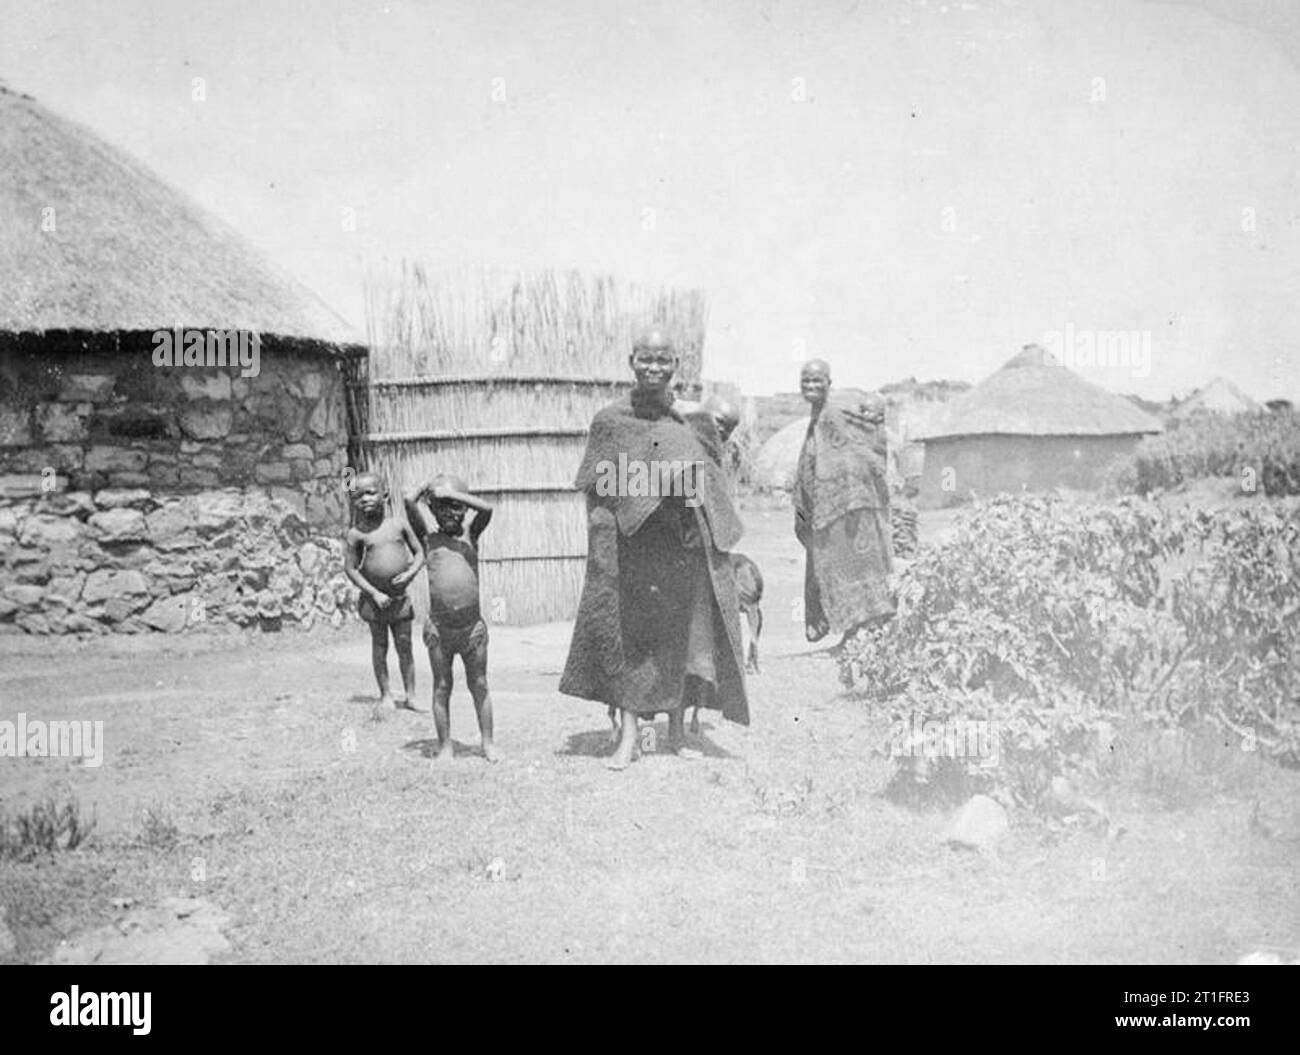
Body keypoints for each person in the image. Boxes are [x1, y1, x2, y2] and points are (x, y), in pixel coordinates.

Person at [561, 329, 750, 769]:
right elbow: (600, 490)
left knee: (681, 638)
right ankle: (627, 737)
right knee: (634, 642)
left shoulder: (690, 423)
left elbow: (711, 484)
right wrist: (612, 536)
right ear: (631, 361)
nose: (654, 367)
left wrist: (693, 507)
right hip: (633, 550)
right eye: (646, 359)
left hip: (681, 548)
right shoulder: (611, 422)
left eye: (663, 360)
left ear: (675, 366)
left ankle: (677, 729)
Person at [793, 358, 895, 649]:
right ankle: (853, 632)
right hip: (826, 512)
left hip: (845, 510)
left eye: (817, 380)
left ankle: (865, 630)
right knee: (837, 571)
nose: (811, 385)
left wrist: (852, 494)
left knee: (852, 569)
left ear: (829, 383)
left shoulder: (834, 417)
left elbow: (865, 446)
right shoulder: (817, 419)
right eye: (806, 381)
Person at [404, 474, 498, 762]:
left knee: (479, 684)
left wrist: (453, 495)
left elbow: (487, 509)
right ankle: (445, 745)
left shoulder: (471, 535)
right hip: (440, 631)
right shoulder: (429, 540)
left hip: (472, 631)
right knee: (442, 686)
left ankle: (488, 743)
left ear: (465, 509)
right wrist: (429, 487)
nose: (449, 513)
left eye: (455, 507)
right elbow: (409, 500)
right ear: (431, 508)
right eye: (441, 507)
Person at [344, 472, 424, 709]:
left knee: (405, 647)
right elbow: (350, 569)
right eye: (358, 496)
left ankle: (410, 696)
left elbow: (420, 553)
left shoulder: (398, 525)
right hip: (374, 602)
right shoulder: (357, 534)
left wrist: (410, 574)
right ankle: (386, 695)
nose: (365, 499)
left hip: (399, 600)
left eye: (370, 493)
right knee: (380, 647)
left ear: (385, 495)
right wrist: (374, 593)